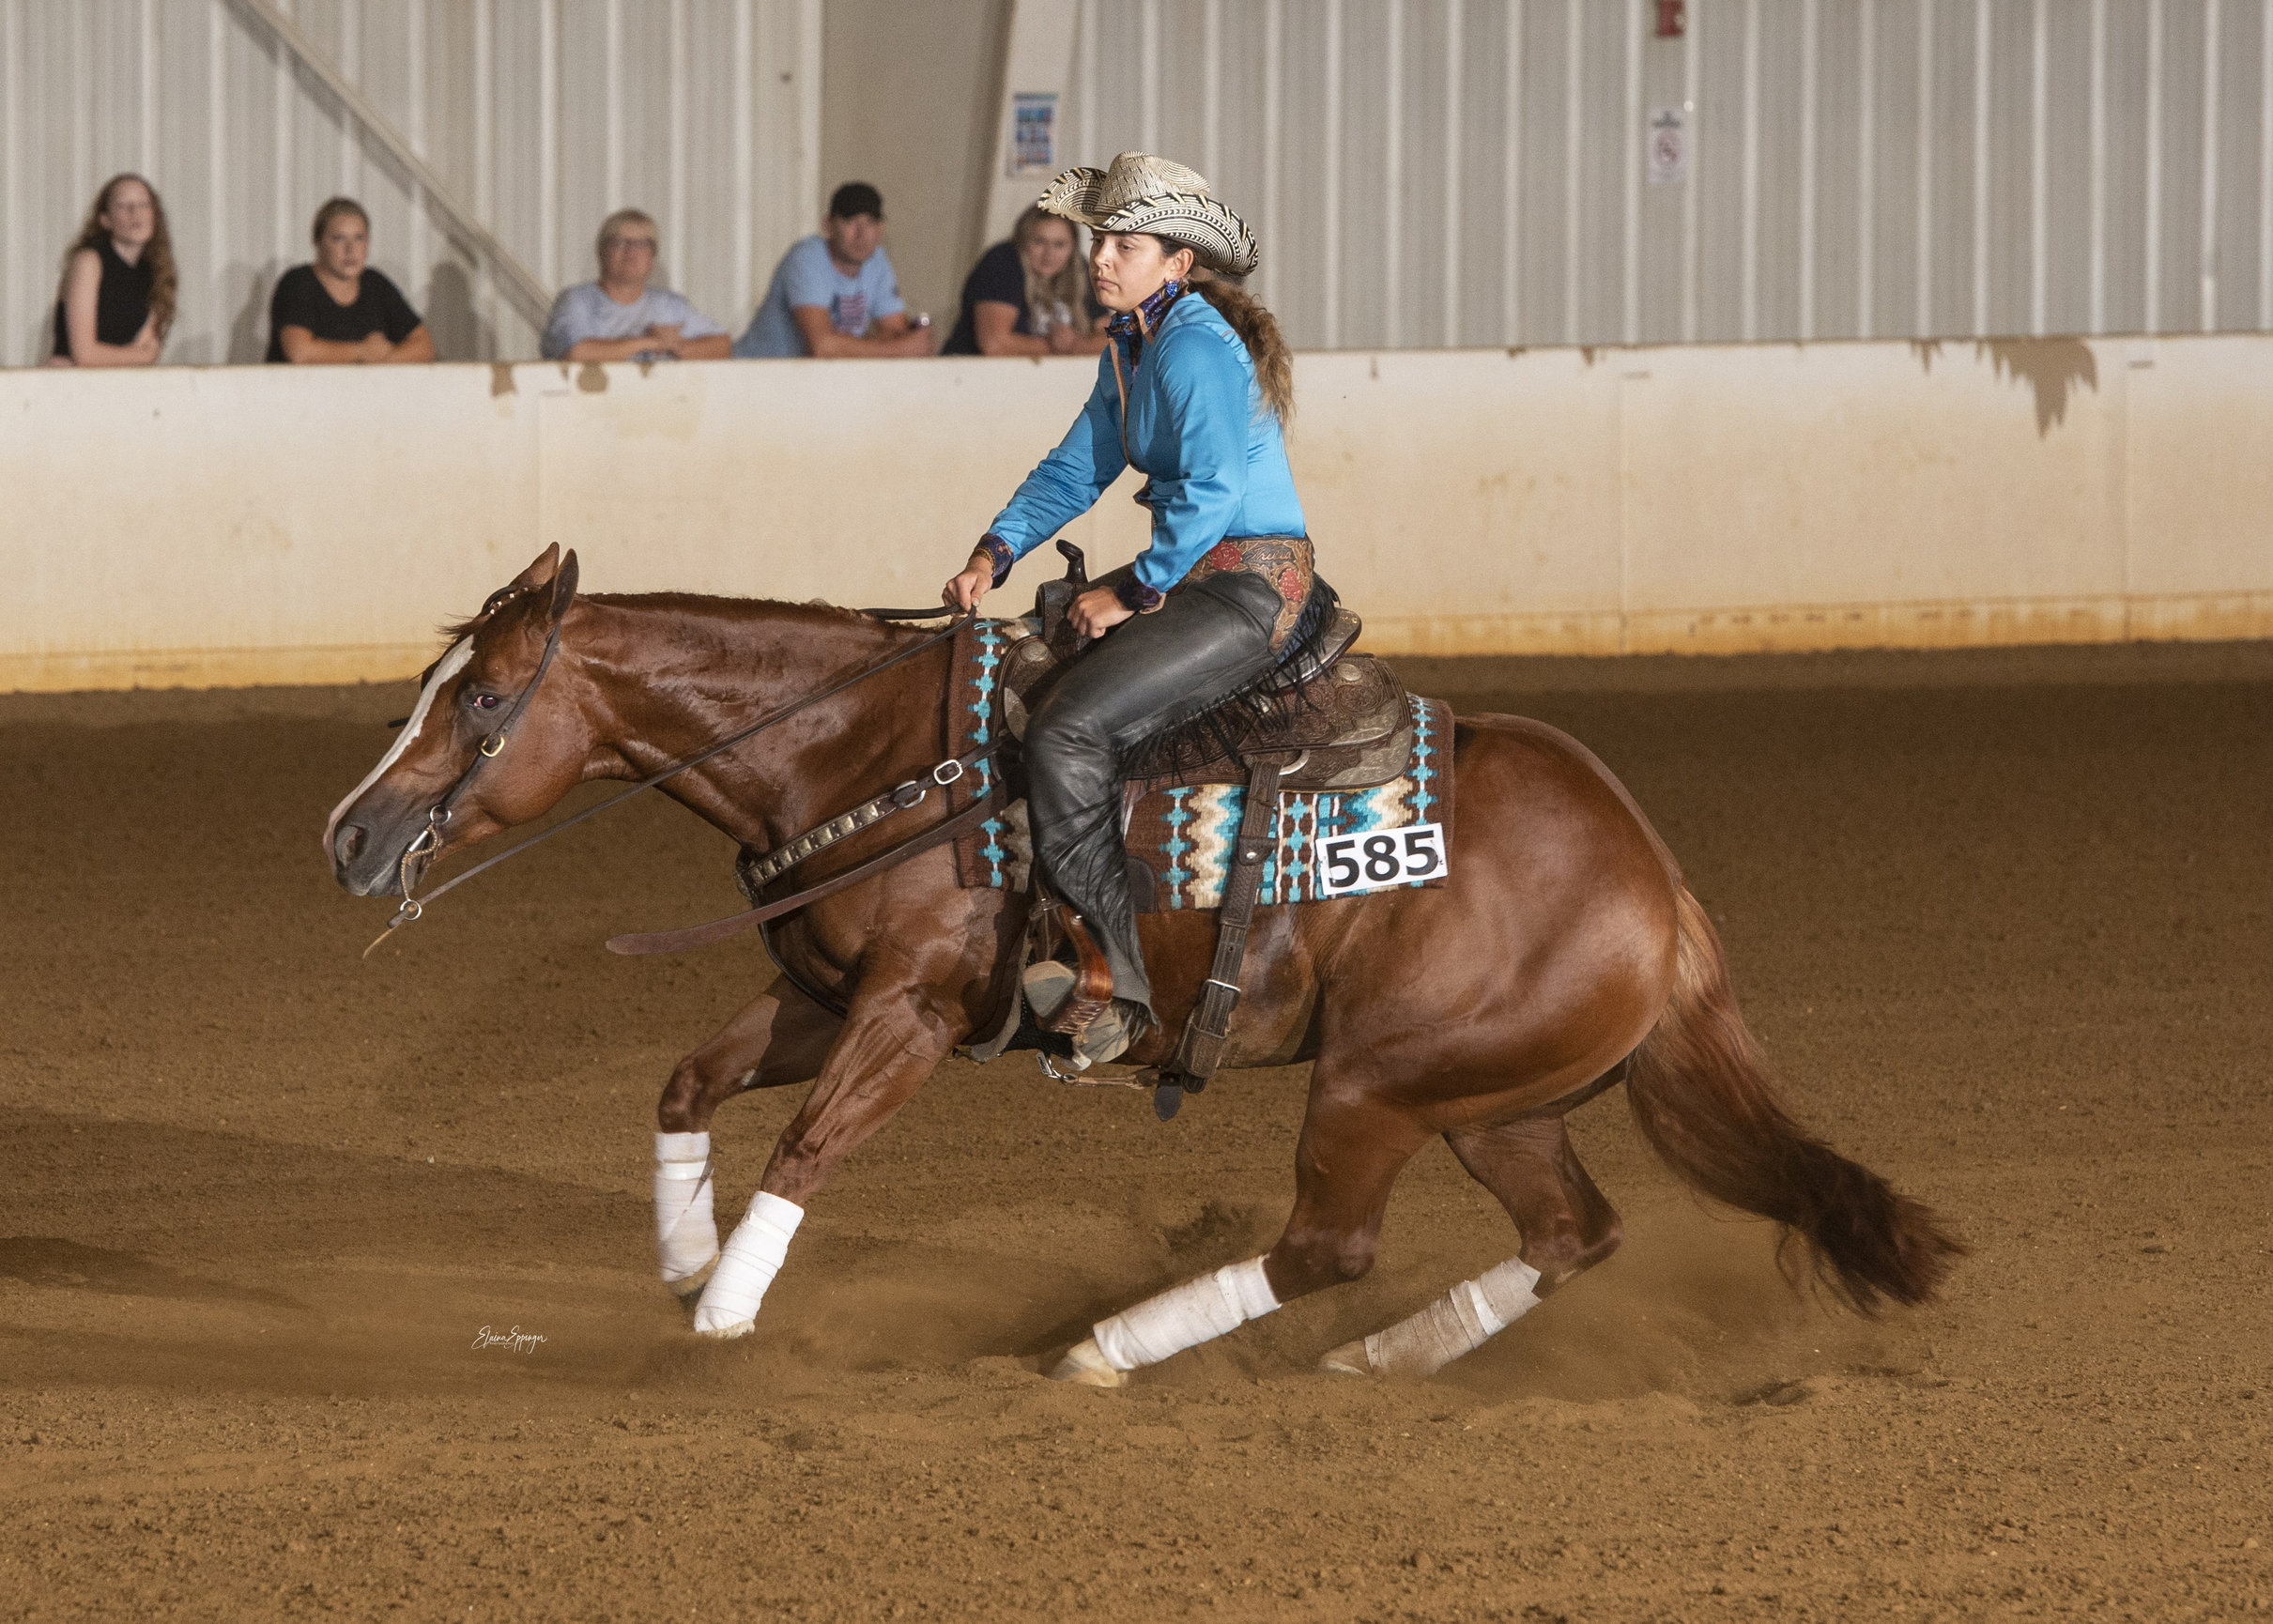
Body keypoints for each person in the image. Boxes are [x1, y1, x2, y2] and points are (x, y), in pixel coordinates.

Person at [939, 153, 1322, 1064]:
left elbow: (1215, 488)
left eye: (1125, 244)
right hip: (1200, 574)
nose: (1101, 257)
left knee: (1068, 730)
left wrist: (1133, 589)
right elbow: (1076, 468)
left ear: (1177, 262)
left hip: (1247, 584)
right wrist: (995, 550)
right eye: (1099, 240)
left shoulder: (1192, 346)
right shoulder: (1132, 347)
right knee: (1030, 668)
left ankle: (1116, 986)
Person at [733, 182, 933, 358]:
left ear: (880, 230)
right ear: (828, 226)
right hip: (753, 375)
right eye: (850, 221)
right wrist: (896, 349)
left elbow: (897, 331)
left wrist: (893, 344)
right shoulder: (808, 257)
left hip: (809, 380)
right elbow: (822, 347)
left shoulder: (876, 261)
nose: (861, 234)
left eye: (870, 223)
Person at [542, 208, 731, 361]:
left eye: (641, 244)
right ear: (601, 253)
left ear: (652, 260)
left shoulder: (669, 306)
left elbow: (722, 345)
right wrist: (649, 342)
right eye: (619, 243)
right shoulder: (577, 301)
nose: (630, 252)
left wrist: (679, 346)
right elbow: (578, 354)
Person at [267, 197, 436, 364]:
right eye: (338, 238)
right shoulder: (298, 282)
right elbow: (300, 352)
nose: (350, 249)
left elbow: (424, 347)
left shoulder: (375, 284)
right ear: (318, 242)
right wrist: (361, 351)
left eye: (359, 238)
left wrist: (382, 358)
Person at [942, 205, 1107, 357]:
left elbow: (1112, 341)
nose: (1049, 254)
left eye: (1059, 244)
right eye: (1040, 242)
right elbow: (995, 344)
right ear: (1022, 242)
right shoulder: (1003, 261)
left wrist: (1076, 344)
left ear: (1072, 248)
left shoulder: (1078, 270)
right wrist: (1057, 346)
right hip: (971, 373)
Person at [49, 174, 175, 367]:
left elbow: (149, 348)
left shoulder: (154, 271)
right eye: (123, 206)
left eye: (144, 205)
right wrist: (139, 355)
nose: (135, 212)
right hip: (73, 380)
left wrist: (141, 355)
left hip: (118, 380)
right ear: (105, 220)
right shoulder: (89, 262)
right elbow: (84, 355)